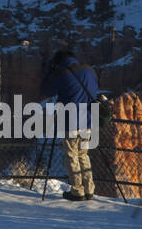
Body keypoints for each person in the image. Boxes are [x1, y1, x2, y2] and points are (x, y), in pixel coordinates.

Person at [41, 49, 99, 201]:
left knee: (71, 156)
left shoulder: (62, 74)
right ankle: (89, 189)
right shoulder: (89, 70)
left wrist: (50, 71)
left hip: (70, 122)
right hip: (88, 120)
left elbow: (46, 90)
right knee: (83, 155)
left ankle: (77, 191)